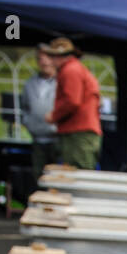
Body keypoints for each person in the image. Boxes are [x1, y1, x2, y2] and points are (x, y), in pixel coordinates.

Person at [40, 37, 101, 169]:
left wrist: (54, 116)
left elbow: (72, 101)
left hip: (78, 134)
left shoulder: (70, 71)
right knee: (79, 172)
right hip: (81, 132)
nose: (51, 61)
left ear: (60, 57)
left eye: (53, 56)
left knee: (79, 175)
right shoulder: (76, 68)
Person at [20, 47, 58, 187]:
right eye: (41, 59)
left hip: (57, 138)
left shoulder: (61, 81)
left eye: (47, 58)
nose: (44, 62)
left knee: (57, 178)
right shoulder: (30, 83)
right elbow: (24, 106)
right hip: (38, 138)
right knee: (39, 177)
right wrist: (28, 123)